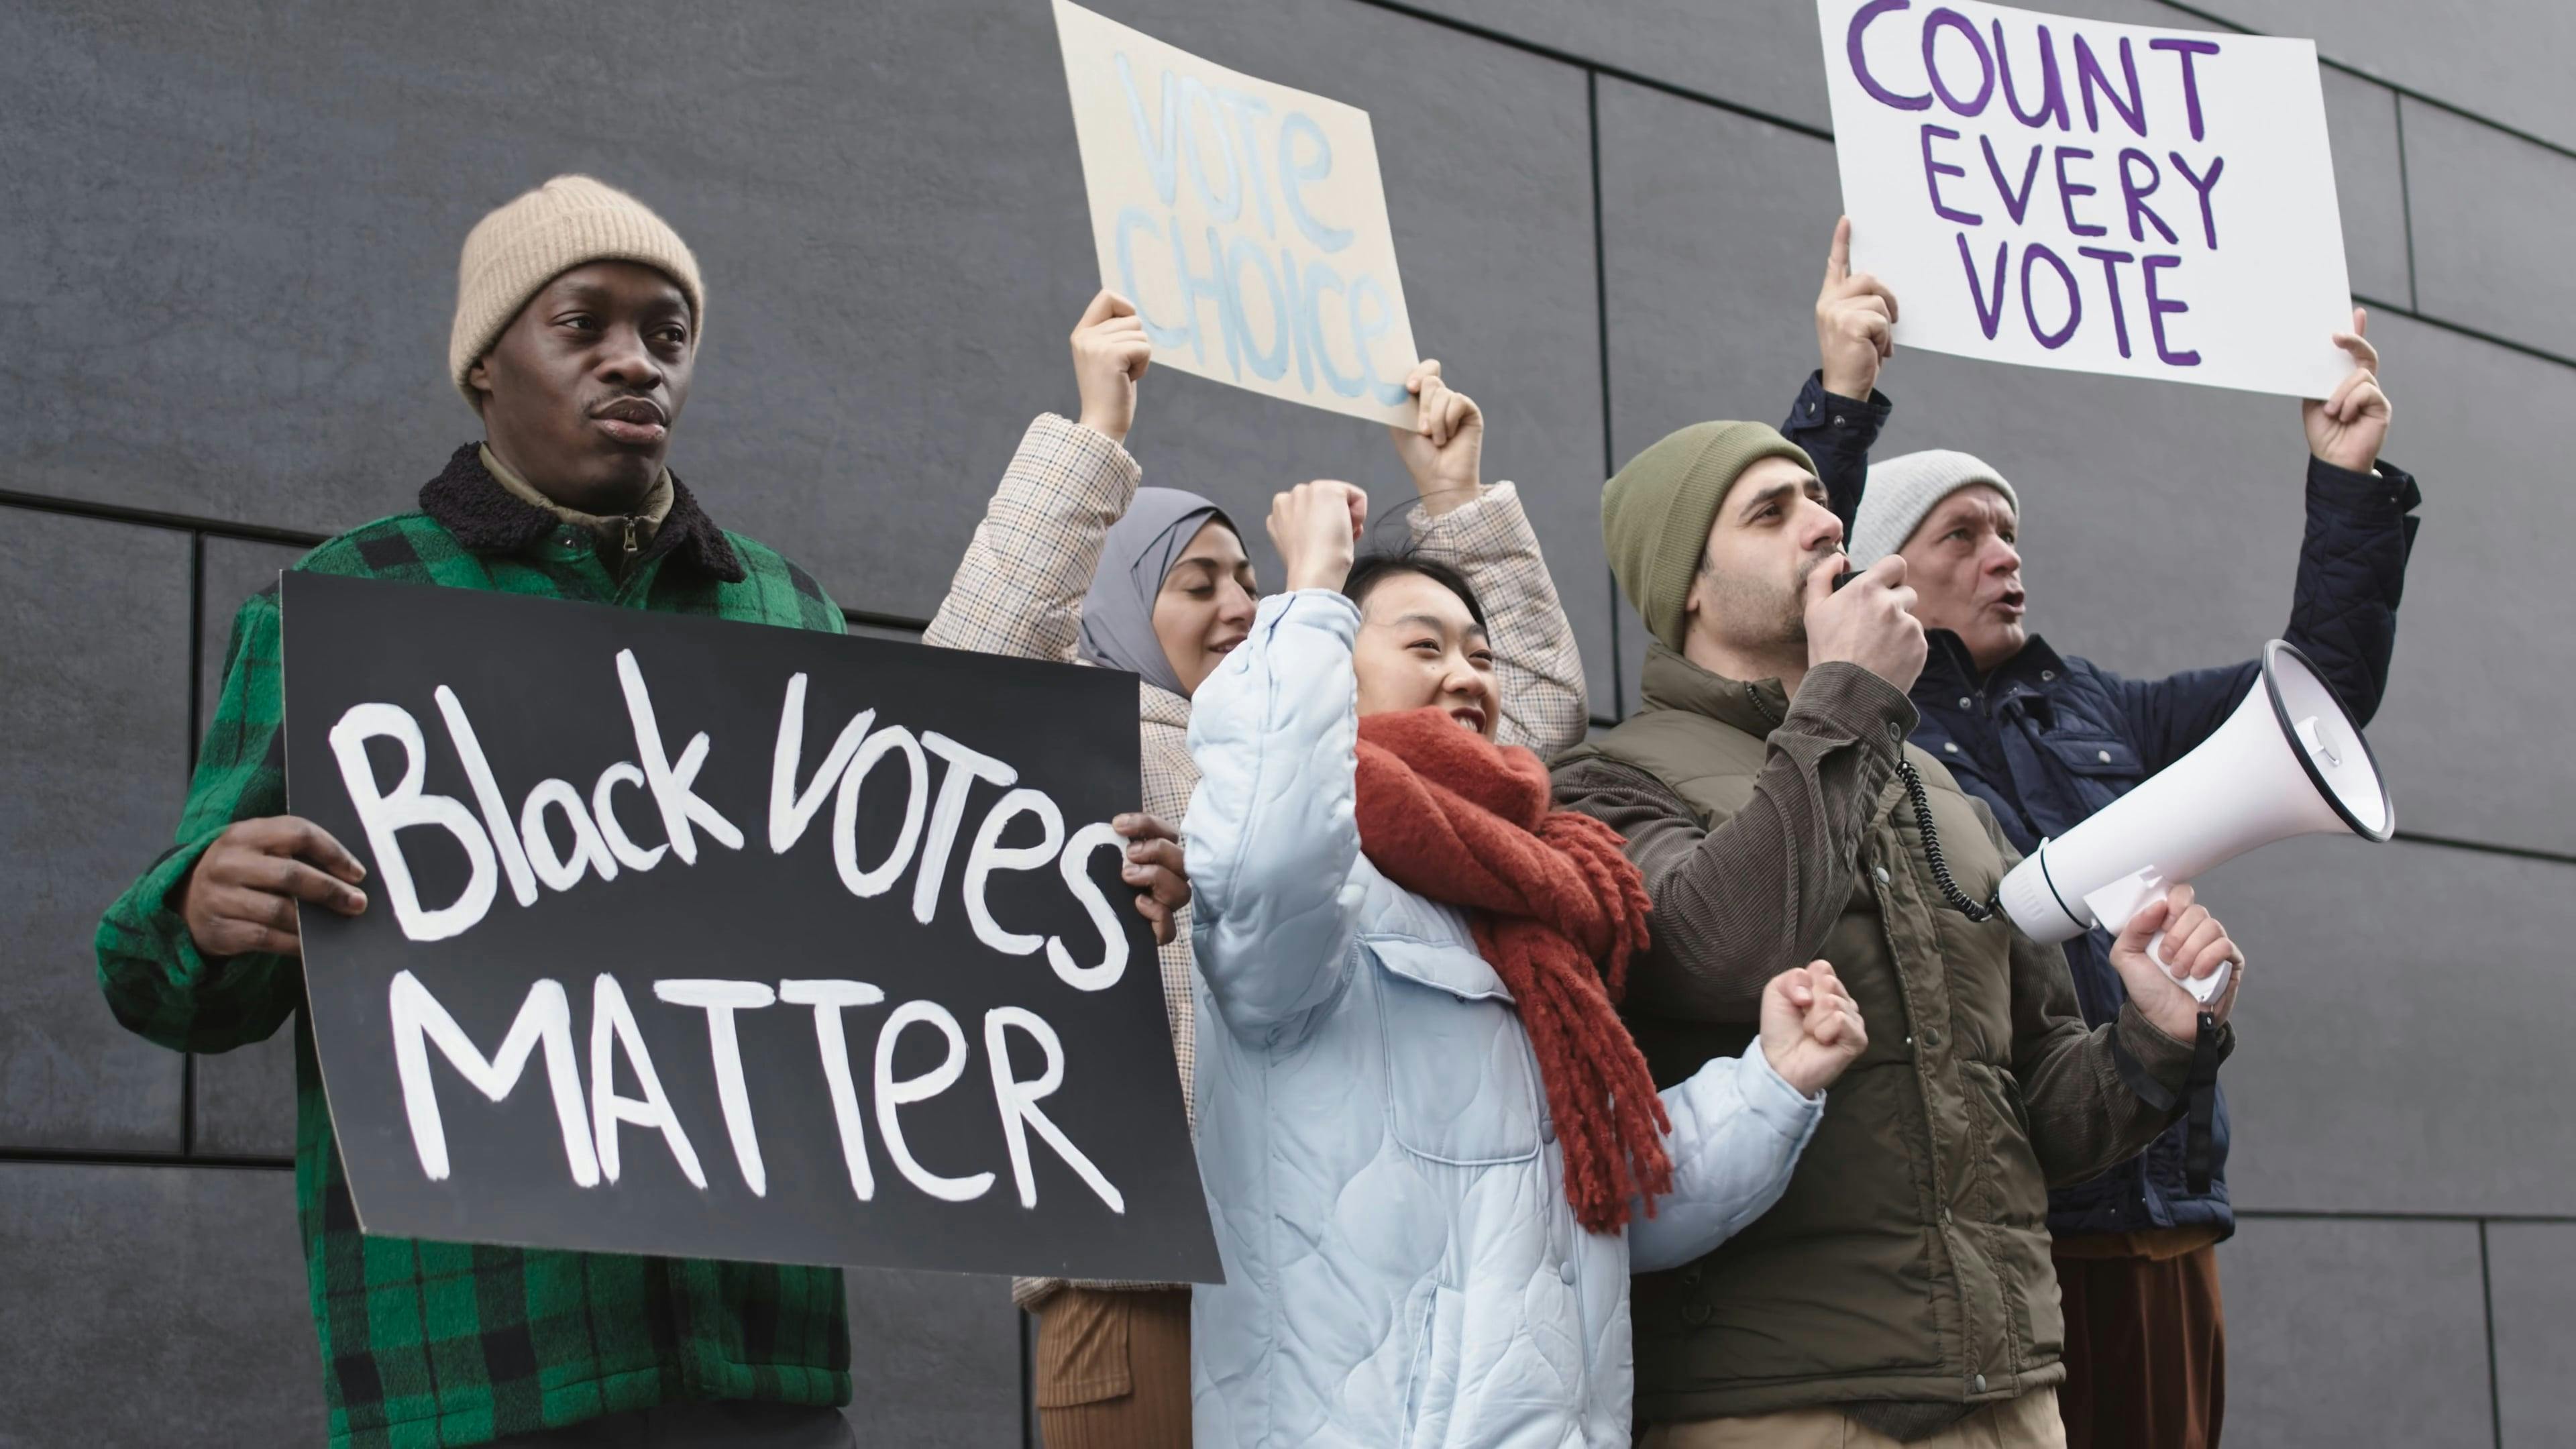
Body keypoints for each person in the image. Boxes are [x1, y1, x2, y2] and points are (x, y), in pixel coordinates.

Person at [89, 176, 1187, 1449]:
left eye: (668, 335)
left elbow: (893, 931)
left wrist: (1065, 898)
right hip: (477, 1370)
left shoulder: (784, 611)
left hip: (757, 1364)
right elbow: (159, 985)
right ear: (486, 367)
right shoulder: (348, 601)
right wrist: (201, 906)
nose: (636, 363)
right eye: (584, 326)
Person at [1550, 249, 2250, 1440]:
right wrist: (1840, 698)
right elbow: (1719, 955)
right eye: (1771, 515)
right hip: (1784, 1401)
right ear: (1689, 592)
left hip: (2007, 1388)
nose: (1822, 521)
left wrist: (2152, 1039)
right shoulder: (1611, 780)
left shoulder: (1927, 780)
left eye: (1818, 503)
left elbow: (2038, 1110)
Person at [922, 289, 1588, 1445]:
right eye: (1198, 580)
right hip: (1137, 1262)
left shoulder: (1322, 756)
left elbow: (1525, 723)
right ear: (1114, 600)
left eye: (1252, 579)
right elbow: (955, 679)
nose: (1241, 604)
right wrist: (1096, 431)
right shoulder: (1057, 737)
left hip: (1310, 1274)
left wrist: (1454, 499)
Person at [1181, 476, 1869, 1446]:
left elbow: (1595, 1203)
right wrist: (1311, 592)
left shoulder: (1527, 906)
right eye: (1423, 647)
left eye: (1478, 654)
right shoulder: (1317, 893)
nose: (1467, 675)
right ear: (1332, 667)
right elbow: (1268, 838)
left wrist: (1771, 1083)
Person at [1843, 308, 2416, 1449]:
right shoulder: (1861, 726)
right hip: (2011, 1226)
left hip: (2158, 1221)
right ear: (1879, 570)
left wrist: (2344, 481)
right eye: (1962, 535)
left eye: (2008, 531)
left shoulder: (2102, 706)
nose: (2004, 554)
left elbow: (2319, 690)